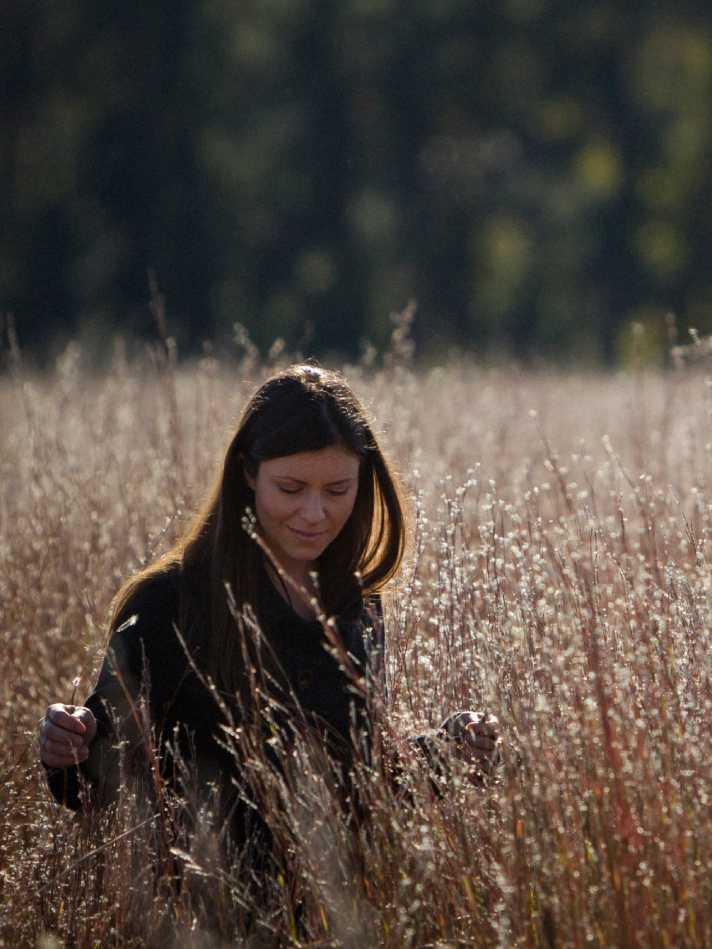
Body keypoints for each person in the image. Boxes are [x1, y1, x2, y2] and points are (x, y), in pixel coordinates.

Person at [36, 364, 497, 914]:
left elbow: (359, 782)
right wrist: (67, 745)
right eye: (291, 488)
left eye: (337, 489)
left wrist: (449, 751)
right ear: (248, 474)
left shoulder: (356, 606)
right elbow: (96, 783)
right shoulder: (169, 604)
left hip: (338, 918)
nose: (314, 513)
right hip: (204, 922)